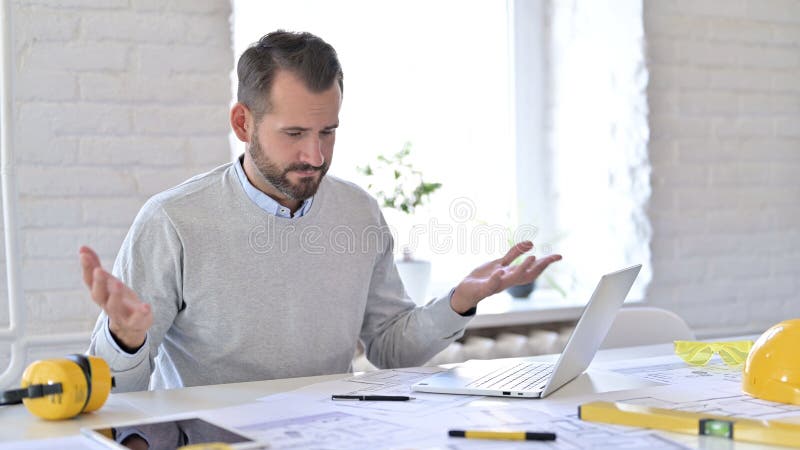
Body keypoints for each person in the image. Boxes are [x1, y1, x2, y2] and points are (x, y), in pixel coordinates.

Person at [80, 30, 561, 392]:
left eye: (327, 132)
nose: (315, 156)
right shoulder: (173, 222)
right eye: (294, 134)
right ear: (243, 122)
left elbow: (390, 347)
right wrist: (125, 340)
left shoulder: (358, 212)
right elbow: (118, 392)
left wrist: (458, 301)